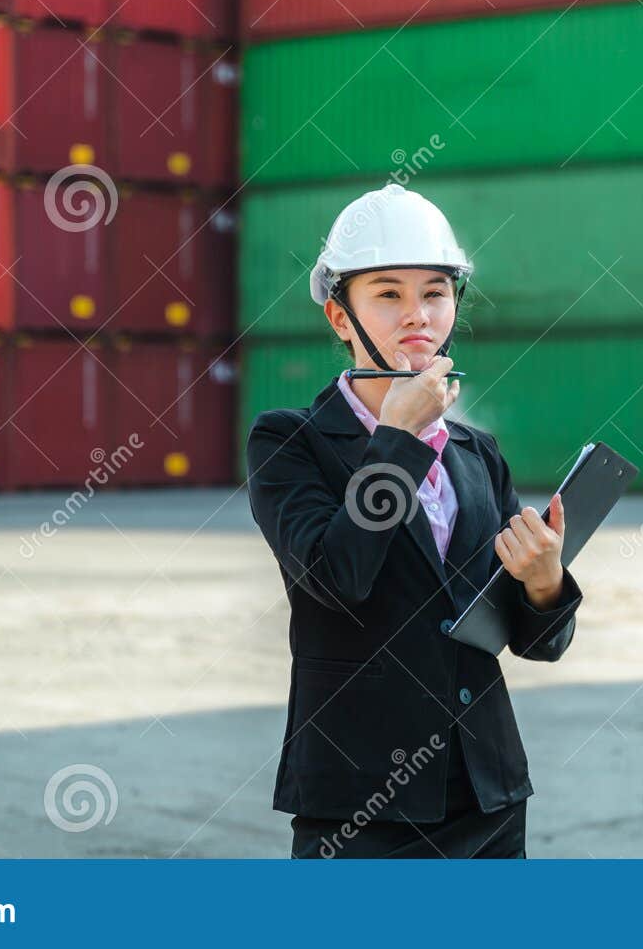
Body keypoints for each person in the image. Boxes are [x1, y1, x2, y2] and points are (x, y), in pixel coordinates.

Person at [244, 183, 584, 858]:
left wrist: (545, 583)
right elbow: (338, 578)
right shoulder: (289, 442)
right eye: (389, 293)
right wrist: (395, 437)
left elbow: (531, 640)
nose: (417, 315)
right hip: (361, 807)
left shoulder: (476, 453)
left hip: (488, 795)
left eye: (434, 292)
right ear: (340, 317)